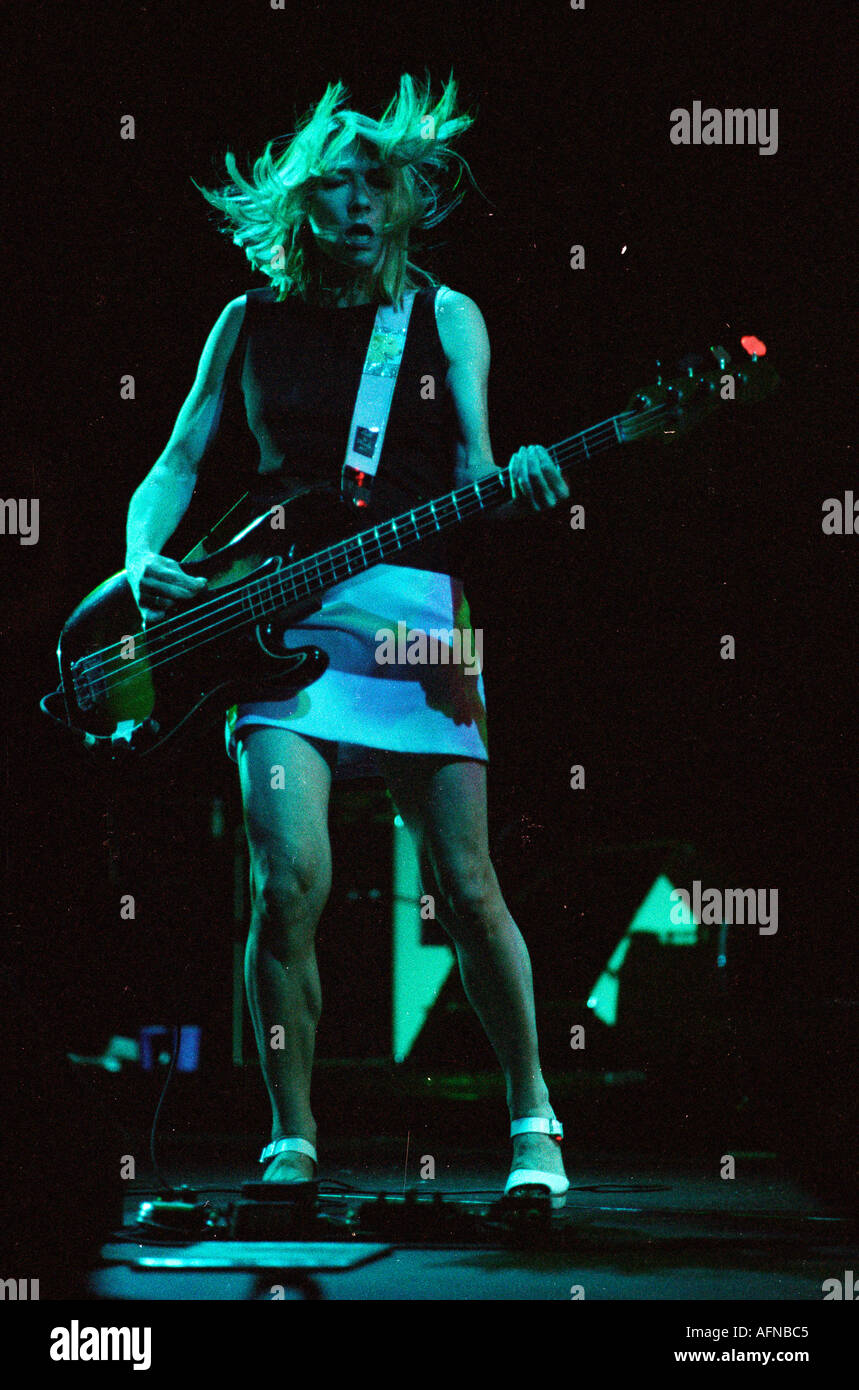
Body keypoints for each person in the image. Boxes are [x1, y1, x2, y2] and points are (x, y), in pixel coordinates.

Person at [124, 74, 571, 1204]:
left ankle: (533, 1125)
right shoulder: (248, 320)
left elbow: (475, 472)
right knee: (289, 883)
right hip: (280, 620)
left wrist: (517, 484)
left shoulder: (443, 315)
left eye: (379, 183)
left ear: (409, 196)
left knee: (467, 883)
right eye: (337, 184)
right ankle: (291, 1138)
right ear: (298, 202)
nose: (361, 203)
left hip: (420, 618)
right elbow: (178, 460)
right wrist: (141, 558)